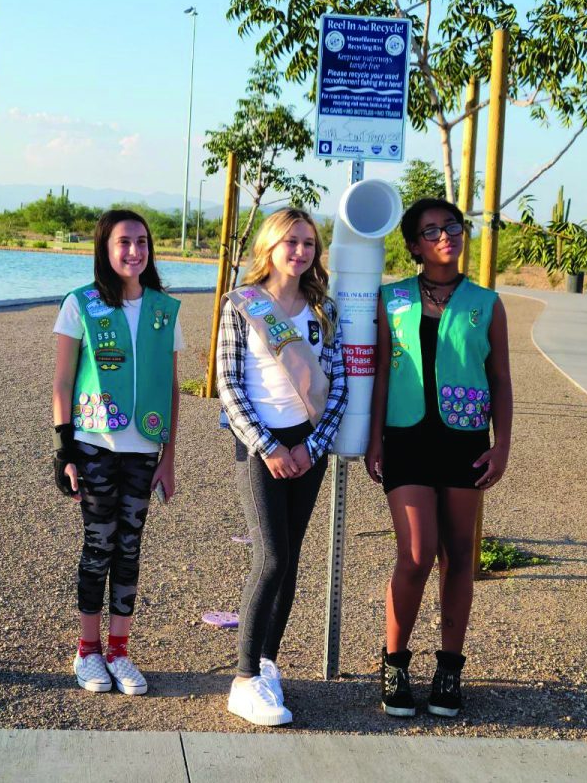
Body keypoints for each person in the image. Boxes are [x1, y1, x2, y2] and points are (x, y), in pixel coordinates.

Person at [363, 197, 514, 719]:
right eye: (431, 230)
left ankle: (449, 668)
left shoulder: (487, 302)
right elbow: (381, 369)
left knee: (458, 557)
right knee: (417, 554)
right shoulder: (391, 299)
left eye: (452, 226)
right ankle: (394, 663)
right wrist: (373, 436)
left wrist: (502, 444)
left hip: (465, 439)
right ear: (413, 244)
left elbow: (500, 379)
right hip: (405, 437)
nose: (445, 236)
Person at [216, 207, 348, 726]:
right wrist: (268, 446)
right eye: (290, 241)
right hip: (259, 444)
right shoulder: (241, 304)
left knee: (290, 560)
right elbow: (228, 383)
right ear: (268, 247)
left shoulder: (324, 308)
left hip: (308, 444)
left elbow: (338, 384)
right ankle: (244, 679)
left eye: (309, 243)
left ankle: (268, 665)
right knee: (269, 556)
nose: (299, 251)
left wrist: (311, 447)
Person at [50, 209, 182, 696]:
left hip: (144, 448)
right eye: (124, 242)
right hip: (94, 445)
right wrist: (63, 449)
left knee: (130, 549)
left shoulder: (164, 310)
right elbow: (63, 381)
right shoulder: (80, 304)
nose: (135, 251)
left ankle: (120, 651)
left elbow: (171, 388)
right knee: (99, 545)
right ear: (106, 249)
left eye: (143, 242)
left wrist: (168, 458)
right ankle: (88, 650)